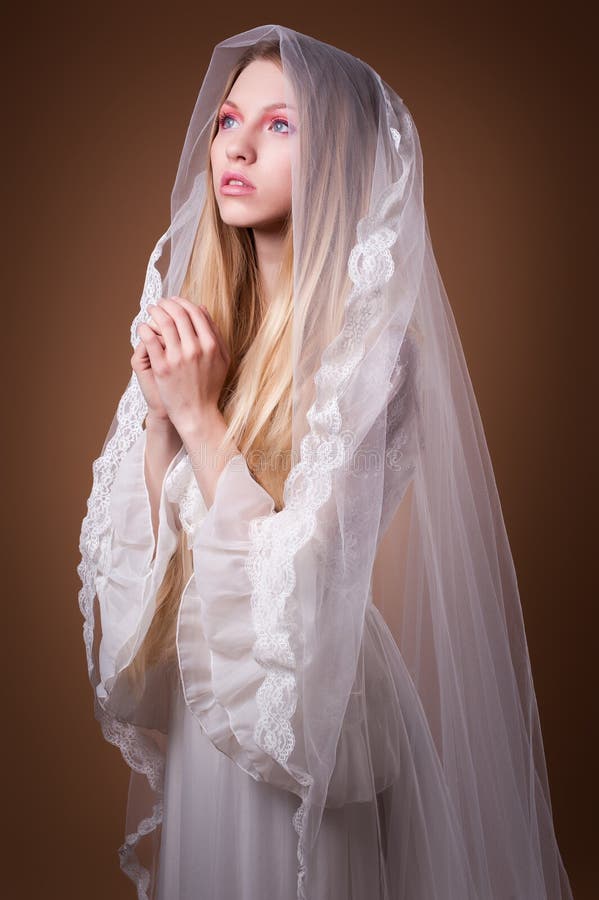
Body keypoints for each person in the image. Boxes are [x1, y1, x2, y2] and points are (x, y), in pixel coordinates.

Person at [77, 24, 574, 900]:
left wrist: (198, 416)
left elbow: (300, 580)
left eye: (279, 126)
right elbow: (165, 564)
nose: (235, 142)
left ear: (339, 156)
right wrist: (163, 422)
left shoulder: (378, 361)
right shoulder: (207, 329)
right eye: (230, 119)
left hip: (302, 709)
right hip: (209, 704)